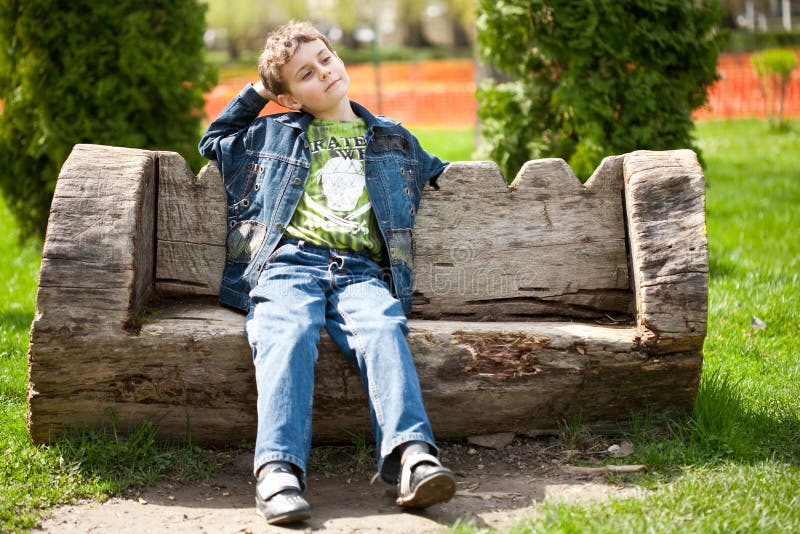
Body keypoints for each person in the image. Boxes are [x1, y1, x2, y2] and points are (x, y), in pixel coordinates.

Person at [198, 21, 455, 525]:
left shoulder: (394, 140)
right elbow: (215, 139)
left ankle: (412, 459)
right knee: (287, 333)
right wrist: (260, 91)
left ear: (339, 57)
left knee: (383, 328)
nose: (325, 73)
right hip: (288, 265)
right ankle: (278, 471)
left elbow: (439, 172)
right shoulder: (272, 133)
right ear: (289, 97)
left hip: (362, 272)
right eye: (306, 75)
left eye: (326, 59)